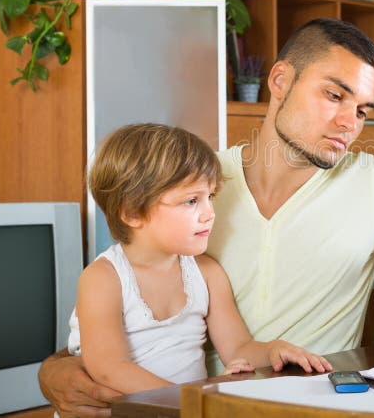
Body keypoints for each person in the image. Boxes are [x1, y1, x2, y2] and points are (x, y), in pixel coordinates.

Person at [40, 18, 374, 417]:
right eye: (334, 95)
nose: (350, 123)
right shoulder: (195, 183)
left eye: (363, 110)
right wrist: (53, 370)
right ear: (280, 80)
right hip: (199, 406)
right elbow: (126, 308)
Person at [68, 123, 330, 396]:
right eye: (192, 201)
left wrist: (273, 350)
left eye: (210, 196)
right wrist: (192, 400)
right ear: (133, 212)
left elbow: (238, 348)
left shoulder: (206, 273)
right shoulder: (103, 279)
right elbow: (110, 368)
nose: (209, 213)